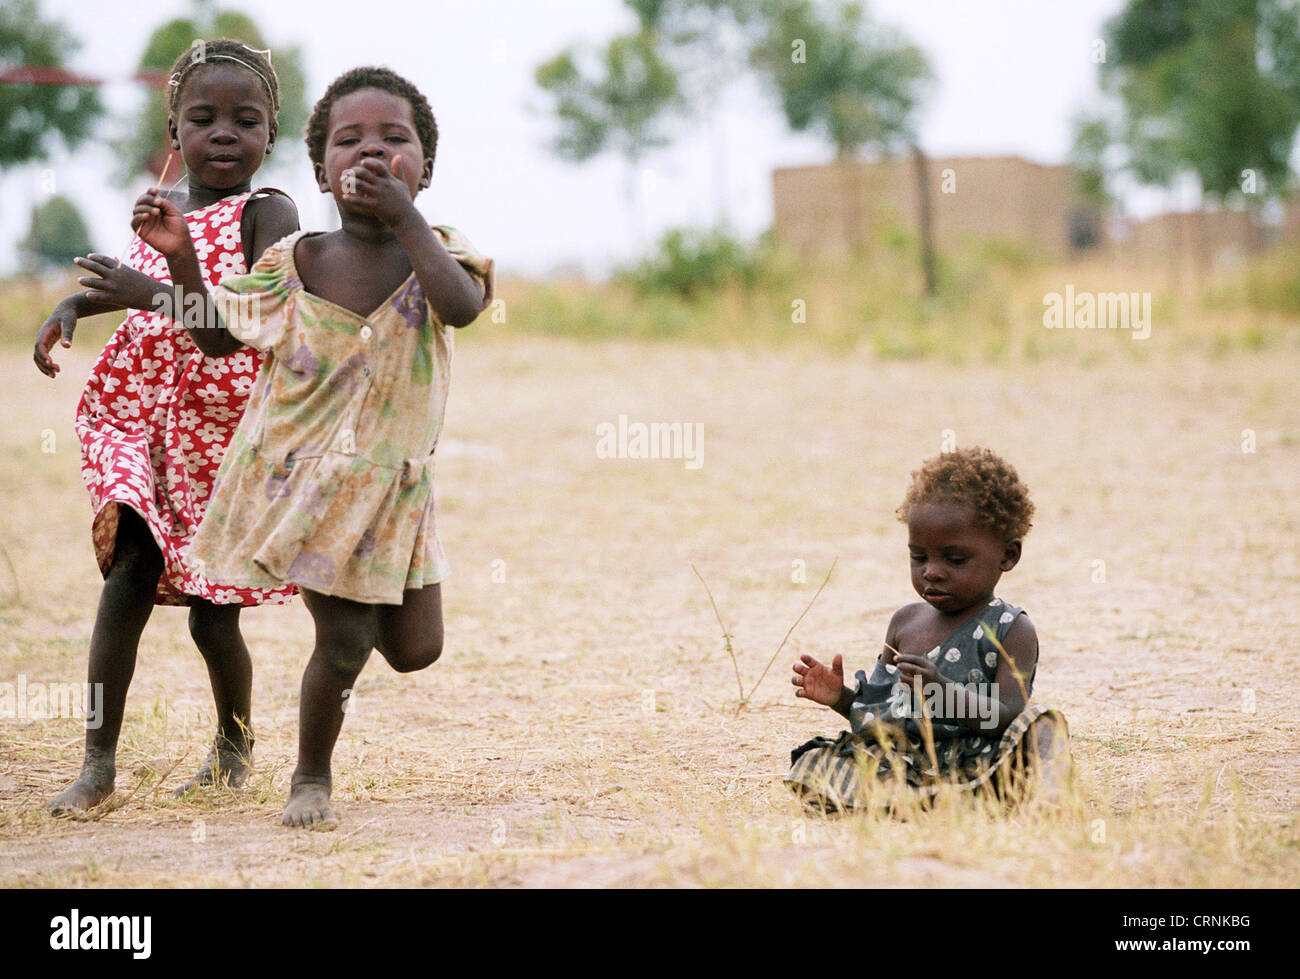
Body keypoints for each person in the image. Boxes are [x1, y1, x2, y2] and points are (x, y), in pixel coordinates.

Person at [133, 66, 493, 829]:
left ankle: (314, 751)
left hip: (396, 492)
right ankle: (310, 779)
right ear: (320, 169)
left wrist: (405, 223)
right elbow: (215, 334)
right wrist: (180, 258)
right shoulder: (294, 261)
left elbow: (460, 309)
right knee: (347, 636)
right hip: (306, 483)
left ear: (426, 165)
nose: (370, 151)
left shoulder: (443, 253)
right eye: (348, 139)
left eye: (394, 139)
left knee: (415, 649)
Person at [32, 40, 299, 814]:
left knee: (215, 619)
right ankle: (97, 764)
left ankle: (233, 745)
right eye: (203, 118)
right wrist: (74, 306)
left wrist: (152, 284)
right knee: (129, 576)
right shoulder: (165, 199)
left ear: (270, 132)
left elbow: (222, 333)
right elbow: (127, 284)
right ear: (173, 130)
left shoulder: (269, 212)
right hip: (140, 417)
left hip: (222, 429)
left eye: (244, 120)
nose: (223, 134)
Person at [787, 447, 1070, 811]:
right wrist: (841, 699)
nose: (931, 571)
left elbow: (1006, 716)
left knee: (1043, 723)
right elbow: (883, 715)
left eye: (955, 559)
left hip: (983, 764)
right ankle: (915, 800)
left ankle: (1051, 797)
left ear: (1008, 556)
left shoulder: (1011, 628)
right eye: (919, 556)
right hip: (907, 765)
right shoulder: (904, 623)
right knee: (815, 763)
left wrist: (941, 691)